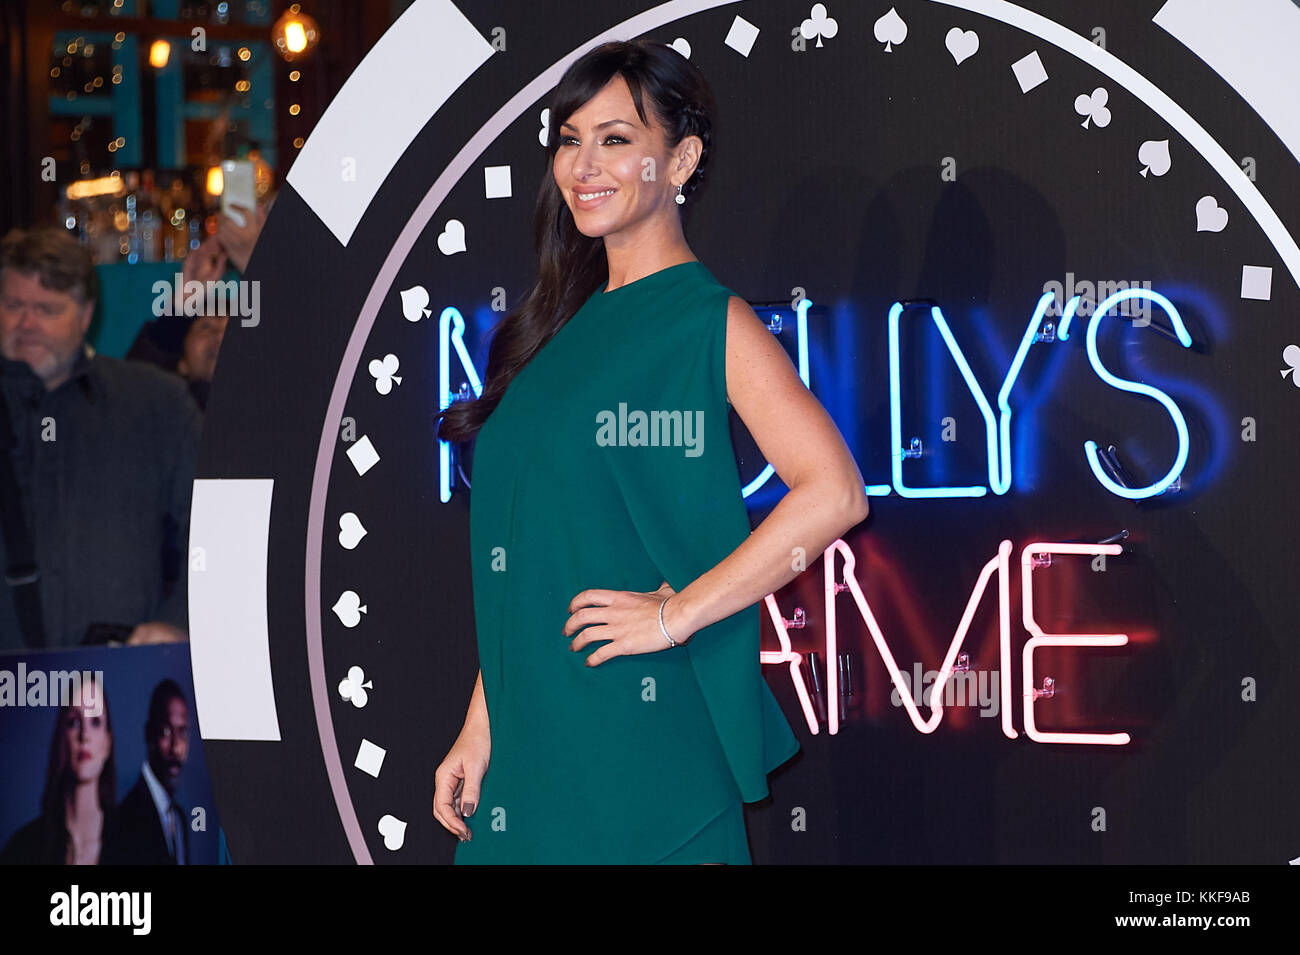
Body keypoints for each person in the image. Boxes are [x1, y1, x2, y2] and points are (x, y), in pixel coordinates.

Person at [432, 39, 870, 864]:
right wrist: (480, 722)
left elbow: (836, 493)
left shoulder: (708, 321)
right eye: (569, 139)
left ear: (682, 158)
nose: (583, 165)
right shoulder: (556, 330)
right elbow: (535, 555)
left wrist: (678, 614)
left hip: (638, 742)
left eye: (616, 138)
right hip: (531, 753)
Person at [0, 226, 201, 649]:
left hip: (123, 679)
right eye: (14, 304)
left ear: (86, 315)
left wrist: (181, 618)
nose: (27, 324)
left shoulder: (154, 404)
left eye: (48, 309)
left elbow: (209, 526)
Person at [0, 673, 118, 864]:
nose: (84, 735)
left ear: (107, 743)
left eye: (95, 721)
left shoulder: (135, 841)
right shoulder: (23, 847)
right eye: (74, 722)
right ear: (61, 736)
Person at [105, 679, 191, 864]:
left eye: (183, 732)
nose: (176, 748)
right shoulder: (126, 819)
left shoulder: (179, 819)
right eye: (166, 732)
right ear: (149, 734)